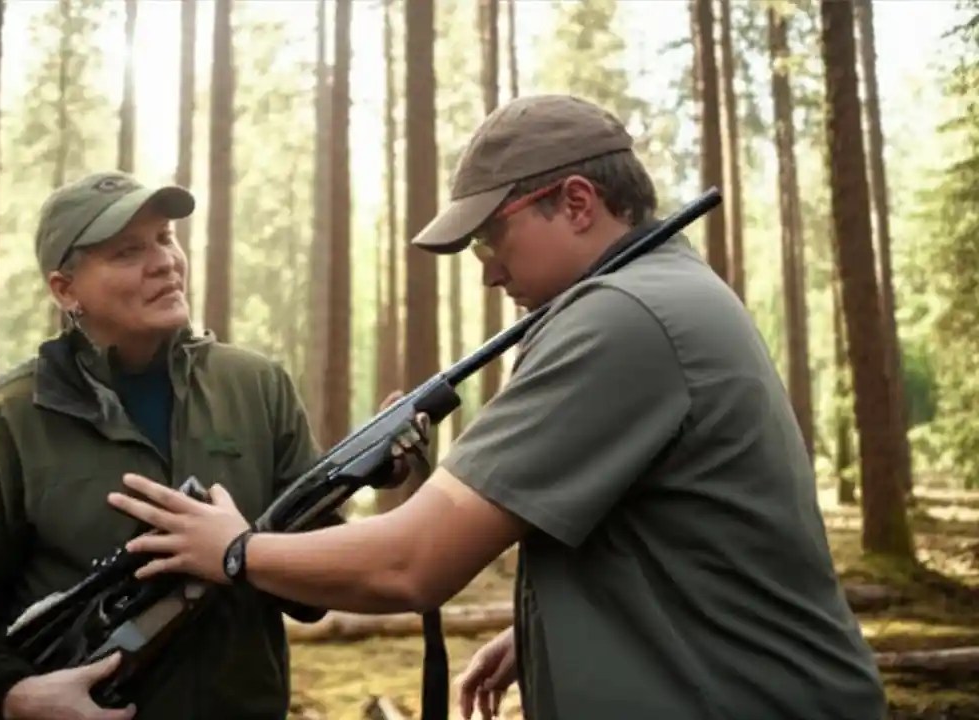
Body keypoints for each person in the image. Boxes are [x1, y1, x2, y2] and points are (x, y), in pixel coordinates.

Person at [104, 95, 889, 720]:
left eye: (492, 241)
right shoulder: (667, 292)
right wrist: (562, 632)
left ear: (576, 202)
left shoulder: (620, 318)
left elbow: (410, 564)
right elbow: (686, 540)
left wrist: (237, 551)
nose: (486, 272)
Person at [0, 171, 416, 720]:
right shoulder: (15, 414)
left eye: (166, 238)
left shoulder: (257, 386)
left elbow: (309, 596)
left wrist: (357, 473)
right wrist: (13, 694)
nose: (164, 262)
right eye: (127, 252)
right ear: (65, 289)